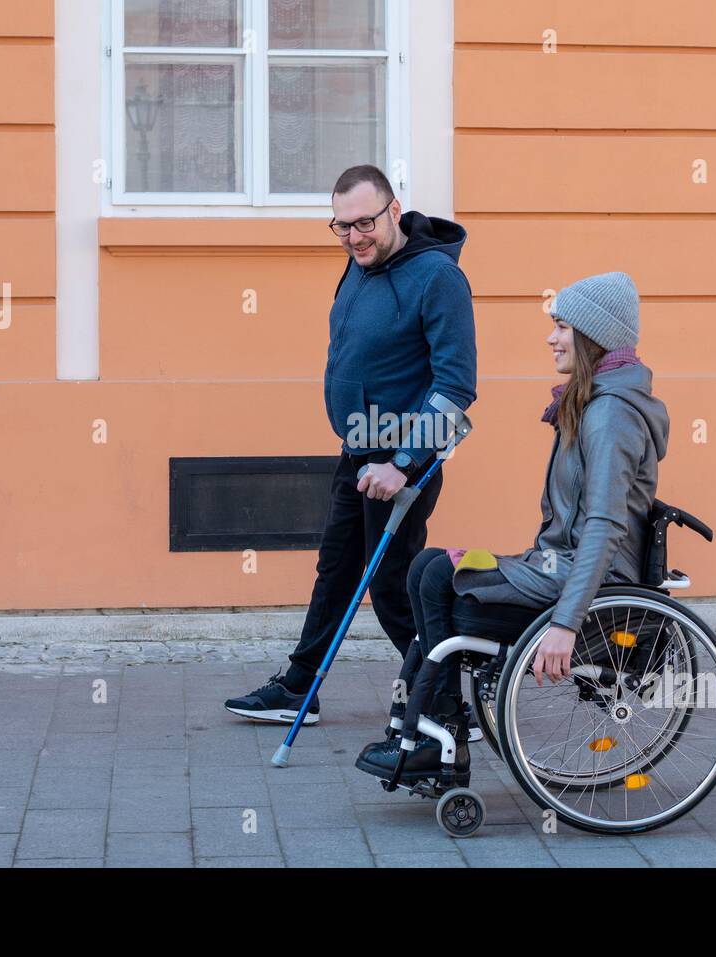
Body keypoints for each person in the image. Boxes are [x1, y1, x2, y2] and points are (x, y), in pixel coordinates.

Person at [355, 271, 670, 784]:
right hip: (554, 564)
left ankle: (439, 739)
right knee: (429, 566)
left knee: (438, 579)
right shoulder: (592, 403)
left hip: (586, 584)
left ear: (594, 335)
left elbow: (605, 525)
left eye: (563, 326)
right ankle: (434, 730)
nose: (551, 337)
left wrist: (566, 624)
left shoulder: (611, 414)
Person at [224, 164, 477, 724]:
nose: (354, 236)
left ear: (394, 210)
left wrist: (404, 463)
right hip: (357, 450)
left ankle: (451, 706)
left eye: (364, 222)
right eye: (340, 226)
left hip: (400, 462)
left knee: (392, 586)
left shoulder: (438, 278)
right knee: (336, 569)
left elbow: (456, 388)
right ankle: (298, 688)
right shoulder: (358, 262)